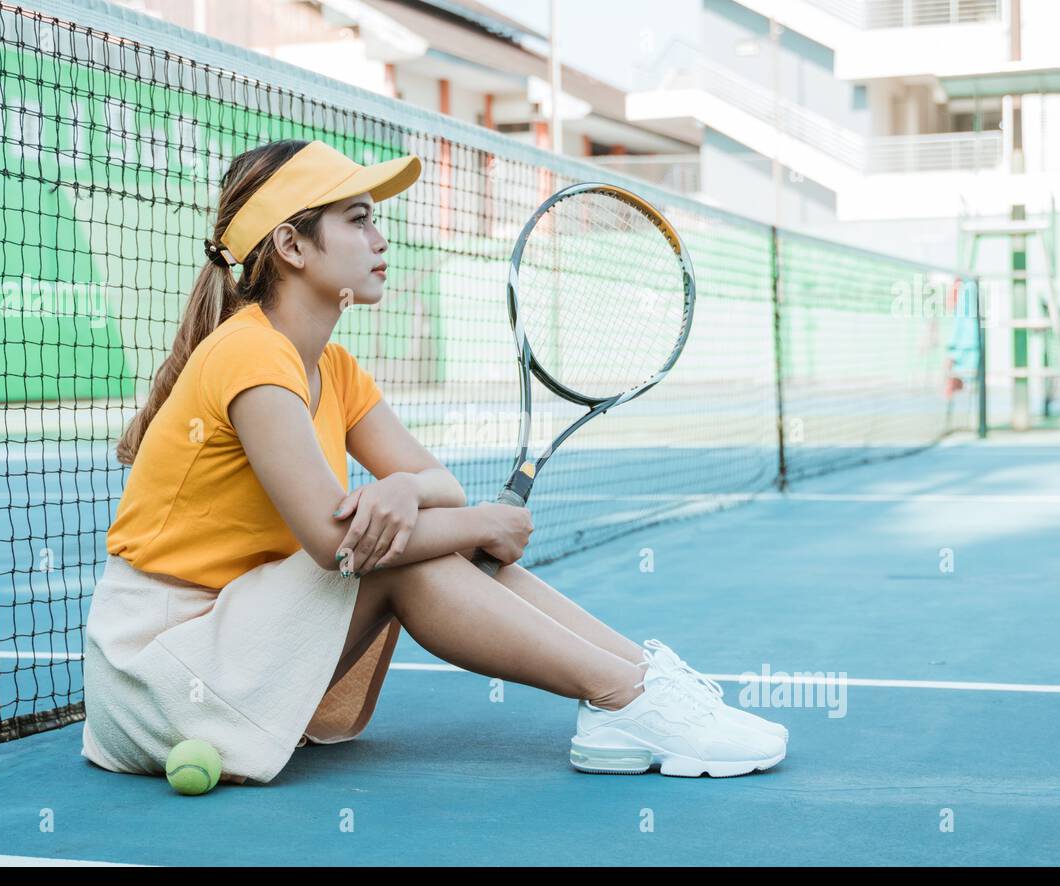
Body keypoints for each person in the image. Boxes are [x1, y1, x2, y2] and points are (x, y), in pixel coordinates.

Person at [80, 138, 788, 784]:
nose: (381, 239)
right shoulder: (250, 354)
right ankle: (623, 696)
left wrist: (402, 491)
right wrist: (483, 524)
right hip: (159, 672)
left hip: (242, 635)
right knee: (405, 561)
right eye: (358, 220)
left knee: (420, 543)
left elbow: (436, 485)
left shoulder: (335, 367)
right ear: (293, 246)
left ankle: (641, 681)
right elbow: (337, 547)